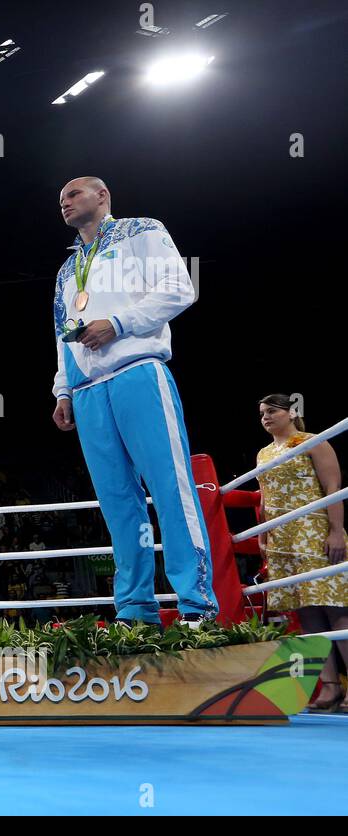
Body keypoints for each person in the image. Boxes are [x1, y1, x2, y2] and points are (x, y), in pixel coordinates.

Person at [50, 177, 215, 627]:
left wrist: (119, 323)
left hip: (138, 371)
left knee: (169, 487)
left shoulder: (144, 230)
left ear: (102, 196)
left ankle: (196, 606)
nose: (64, 202)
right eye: (61, 198)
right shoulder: (68, 269)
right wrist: (62, 390)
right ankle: (135, 610)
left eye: (74, 194)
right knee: (118, 504)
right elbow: (62, 335)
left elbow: (182, 287)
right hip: (86, 392)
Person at [255, 393, 348, 711]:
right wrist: (263, 533)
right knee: (306, 613)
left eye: (272, 411)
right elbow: (265, 498)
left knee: (335, 608)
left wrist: (336, 531)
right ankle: (330, 687)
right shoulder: (264, 453)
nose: (265, 416)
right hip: (283, 541)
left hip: (315, 533)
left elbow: (332, 487)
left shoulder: (313, 441)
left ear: (291, 413)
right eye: (262, 413)